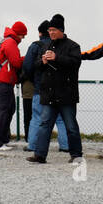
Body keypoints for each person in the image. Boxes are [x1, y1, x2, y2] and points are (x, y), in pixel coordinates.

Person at [26, 15, 84, 165]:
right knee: (45, 125)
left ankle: (76, 155)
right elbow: (36, 65)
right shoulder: (45, 46)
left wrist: (57, 58)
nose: (51, 33)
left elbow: (75, 63)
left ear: (61, 30)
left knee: (71, 126)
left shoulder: (73, 46)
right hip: (49, 94)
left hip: (66, 94)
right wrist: (43, 61)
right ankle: (39, 155)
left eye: (53, 30)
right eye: (49, 30)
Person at [22, 21, 69, 153]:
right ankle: (65, 145)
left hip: (40, 87)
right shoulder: (61, 45)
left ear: (40, 33)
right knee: (61, 118)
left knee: (37, 117)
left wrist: (33, 79)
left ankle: (33, 145)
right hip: (59, 88)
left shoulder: (35, 46)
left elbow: (27, 66)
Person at [0, 22, 27, 150]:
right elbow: (15, 62)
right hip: (2, 81)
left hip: (3, 80)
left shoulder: (7, 41)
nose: (23, 38)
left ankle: (3, 139)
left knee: (9, 109)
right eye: (23, 35)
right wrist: (26, 58)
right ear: (19, 33)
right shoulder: (10, 42)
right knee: (2, 110)